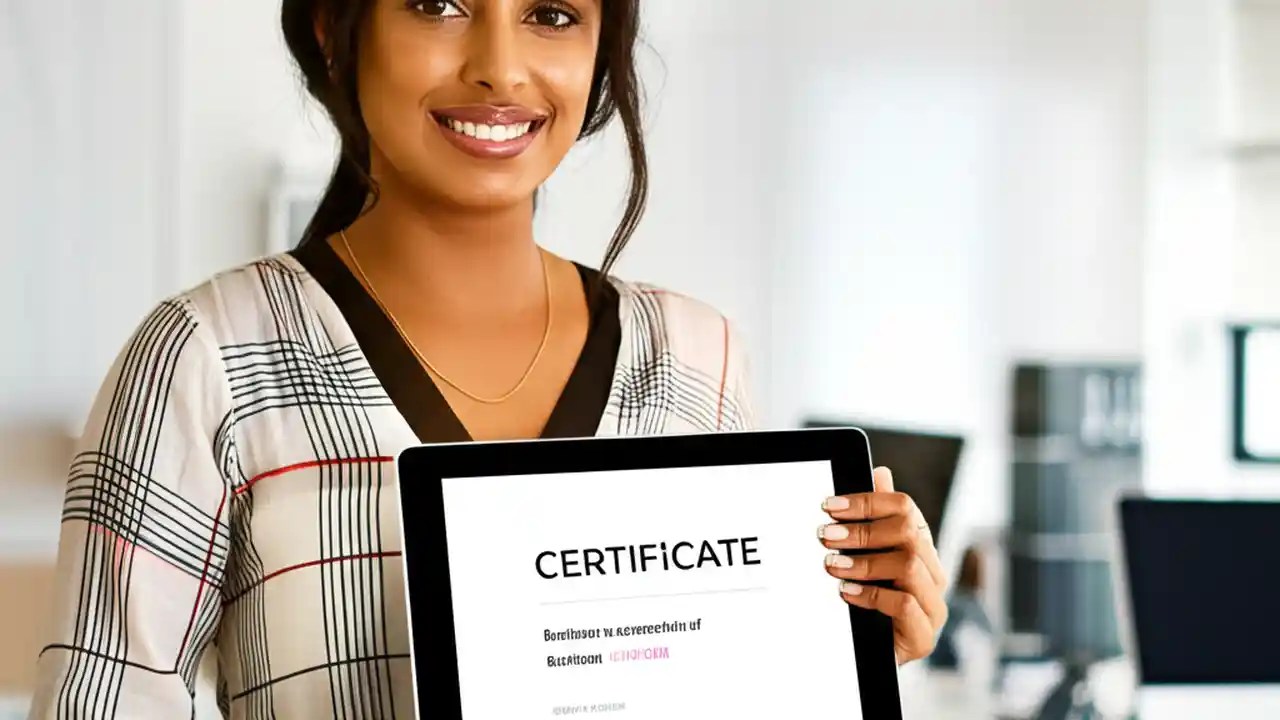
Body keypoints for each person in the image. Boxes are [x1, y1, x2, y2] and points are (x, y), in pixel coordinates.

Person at [28, 1, 949, 716]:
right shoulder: (202, 355)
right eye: (436, 4)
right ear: (334, 29)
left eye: (551, 15)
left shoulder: (698, 353)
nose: (499, 67)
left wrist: (855, 651)